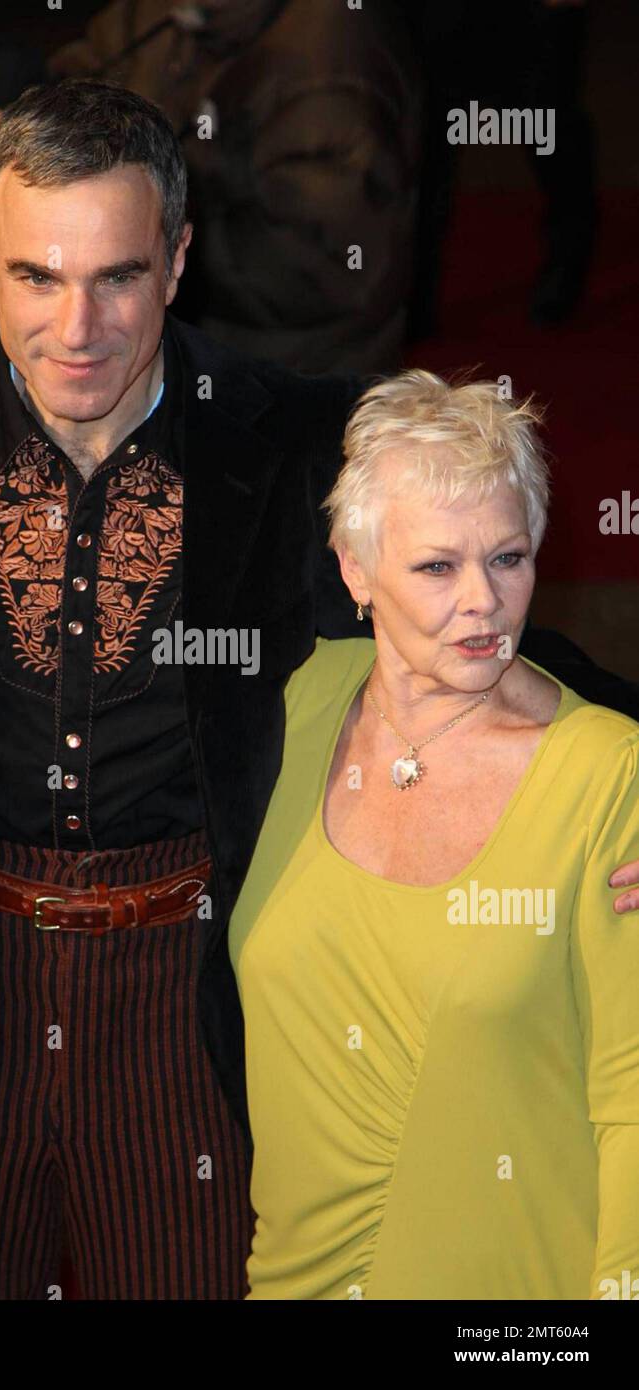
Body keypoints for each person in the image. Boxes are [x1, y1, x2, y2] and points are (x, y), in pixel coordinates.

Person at [0, 79, 636, 1301]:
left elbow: (479, 610)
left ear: (177, 261)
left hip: (184, 996)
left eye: (117, 275)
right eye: (36, 276)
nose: (77, 326)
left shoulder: (286, 439)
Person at [228, 370, 639, 1299]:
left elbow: (635, 1100)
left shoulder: (606, 775)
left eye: (508, 558)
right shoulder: (294, 706)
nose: (484, 603)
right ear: (354, 569)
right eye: (436, 566)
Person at [50, 0, 421, 376]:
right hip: (170, 346)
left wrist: (148, 248)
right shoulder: (158, 12)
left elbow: (326, 263)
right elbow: (75, 80)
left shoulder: (332, 57)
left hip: (284, 374)